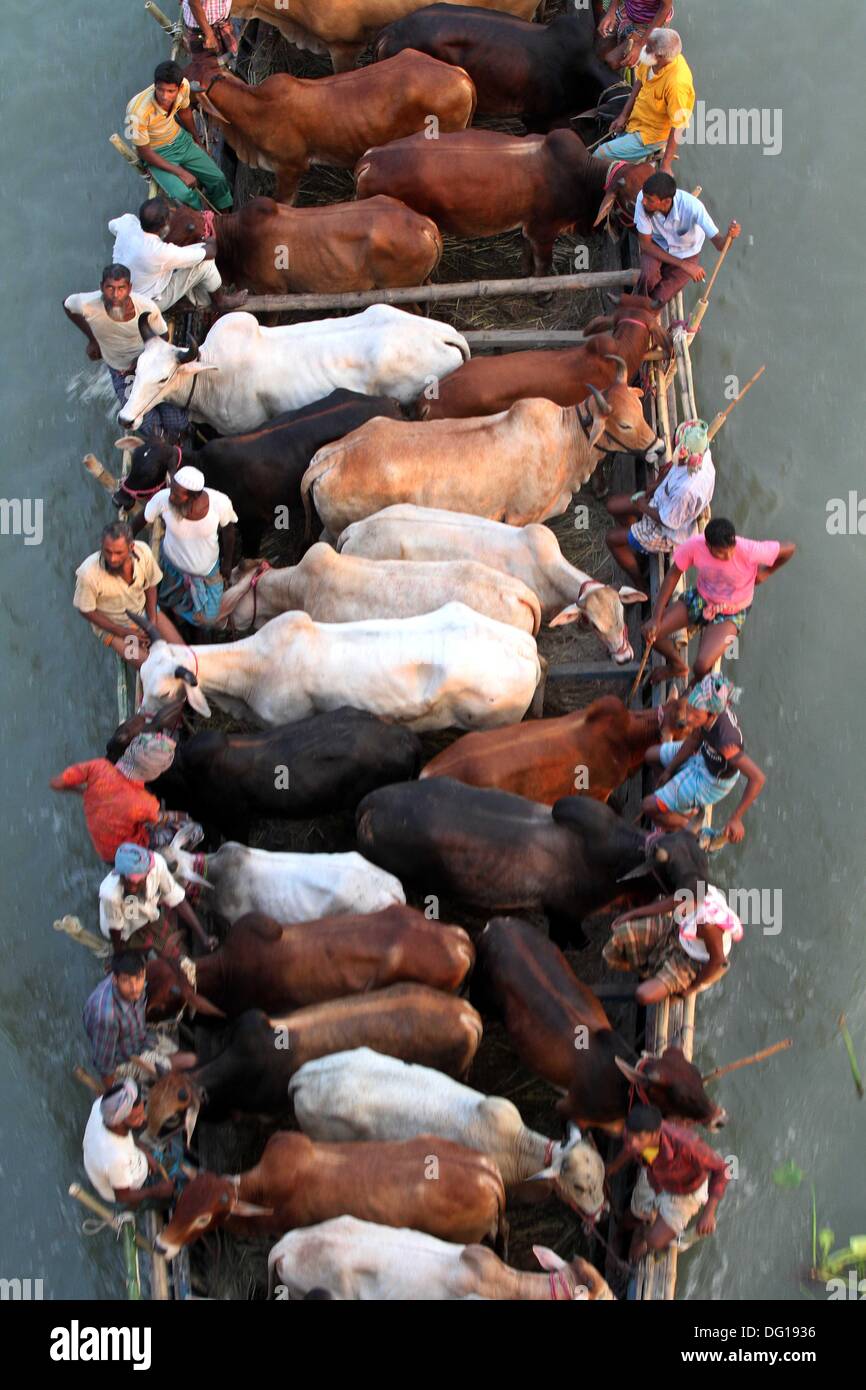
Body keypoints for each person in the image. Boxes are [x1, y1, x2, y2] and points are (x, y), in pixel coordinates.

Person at [642, 516, 796, 684]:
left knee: (701, 666)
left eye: (731, 549)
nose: (728, 555)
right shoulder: (694, 546)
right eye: (721, 553)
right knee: (650, 633)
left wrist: (765, 574)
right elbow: (673, 575)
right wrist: (656, 617)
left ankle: (695, 684)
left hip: (731, 611)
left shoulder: (750, 550)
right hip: (701, 598)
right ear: (708, 546)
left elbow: (789, 548)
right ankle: (676, 666)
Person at [64, 264, 188, 439]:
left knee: (177, 422)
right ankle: (162, 442)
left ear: (129, 288)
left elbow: (164, 335)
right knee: (146, 425)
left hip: (149, 368)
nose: (115, 295)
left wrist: (143, 358)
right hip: (122, 371)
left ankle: (177, 435)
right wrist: (92, 339)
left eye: (121, 288)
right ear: (101, 287)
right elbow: (67, 305)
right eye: (110, 288)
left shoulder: (146, 308)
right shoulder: (87, 304)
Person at [640, 673, 765, 844]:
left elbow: (758, 778)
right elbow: (693, 741)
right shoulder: (705, 719)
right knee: (651, 755)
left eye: (695, 714)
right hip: (702, 756)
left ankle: (690, 828)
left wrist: (736, 818)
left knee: (647, 806)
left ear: (712, 715)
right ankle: (678, 805)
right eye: (689, 709)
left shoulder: (727, 742)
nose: (688, 717)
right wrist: (669, 771)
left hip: (711, 781)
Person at [50, 732, 199, 864]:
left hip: (104, 851)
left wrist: (87, 792)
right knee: (195, 830)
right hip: (130, 851)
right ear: (154, 771)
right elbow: (158, 819)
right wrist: (182, 815)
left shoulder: (98, 766)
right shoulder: (144, 802)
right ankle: (179, 861)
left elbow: (56, 783)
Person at [605, 1104, 729, 1259]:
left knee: (655, 1241)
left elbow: (722, 1168)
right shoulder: (632, 1135)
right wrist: (613, 1168)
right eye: (629, 1138)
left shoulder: (687, 1144)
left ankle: (657, 1240)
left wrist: (709, 1213)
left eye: (639, 1139)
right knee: (631, 1215)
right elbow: (630, 1148)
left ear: (656, 1134)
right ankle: (621, 1234)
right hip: (655, 1177)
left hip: (685, 1190)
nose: (633, 1144)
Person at [605, 418, 716, 583]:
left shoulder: (687, 491)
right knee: (612, 505)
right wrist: (657, 483)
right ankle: (634, 539)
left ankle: (639, 583)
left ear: (686, 453)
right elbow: (674, 468)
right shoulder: (701, 452)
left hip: (667, 531)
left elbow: (668, 521)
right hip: (661, 502)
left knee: (611, 538)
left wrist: (643, 507)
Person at [604, 881, 743, 1003]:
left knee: (643, 995)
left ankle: (662, 981)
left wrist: (693, 987)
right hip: (679, 931)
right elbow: (671, 903)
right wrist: (633, 914)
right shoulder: (697, 889)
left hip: (694, 960)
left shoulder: (708, 925)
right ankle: (640, 968)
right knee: (622, 934)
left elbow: (718, 961)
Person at [125, 60, 233, 212]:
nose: (164, 97)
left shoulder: (185, 87)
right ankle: (202, 217)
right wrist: (181, 173)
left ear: (179, 87)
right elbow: (145, 152)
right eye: (160, 90)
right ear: (154, 85)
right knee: (184, 194)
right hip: (157, 153)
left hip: (181, 141)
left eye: (170, 91)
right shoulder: (137, 112)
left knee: (218, 178)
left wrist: (197, 140)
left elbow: (185, 112)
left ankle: (223, 210)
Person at [73, 521, 182, 667]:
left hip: (143, 612)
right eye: (107, 552)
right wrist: (122, 632)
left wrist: (152, 623)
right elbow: (85, 610)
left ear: (131, 547)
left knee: (184, 653)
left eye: (118, 553)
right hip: (115, 628)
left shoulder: (143, 553)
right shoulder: (88, 574)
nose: (112, 559)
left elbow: (150, 586)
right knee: (150, 667)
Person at [109, 197, 247, 314]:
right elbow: (210, 252)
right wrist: (210, 239)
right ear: (164, 225)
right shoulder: (159, 252)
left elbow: (112, 226)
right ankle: (220, 301)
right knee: (206, 263)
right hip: (144, 305)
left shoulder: (127, 222)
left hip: (122, 292)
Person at [82, 951, 197, 1086]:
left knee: (177, 1048)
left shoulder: (137, 984)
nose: (135, 987)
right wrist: (112, 1093)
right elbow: (104, 1067)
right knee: (191, 1061)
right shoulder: (107, 1017)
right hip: (125, 1060)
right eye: (126, 981)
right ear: (114, 979)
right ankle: (133, 1077)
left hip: (140, 1039)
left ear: (144, 973)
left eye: (139, 978)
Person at [143, 465, 238, 628]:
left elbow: (229, 532)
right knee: (166, 599)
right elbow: (143, 519)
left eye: (176, 494)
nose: (171, 497)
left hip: (207, 570)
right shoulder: (163, 499)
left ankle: (181, 612)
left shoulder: (219, 503)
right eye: (171, 490)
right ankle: (176, 610)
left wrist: (227, 563)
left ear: (194, 497)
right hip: (173, 564)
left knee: (208, 619)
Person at [593, 28, 694, 172]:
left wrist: (666, 164)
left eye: (649, 48)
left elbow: (678, 125)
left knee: (599, 154)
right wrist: (624, 115)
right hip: (636, 117)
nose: (644, 49)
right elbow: (639, 82)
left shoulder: (677, 84)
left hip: (650, 135)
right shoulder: (651, 59)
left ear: (660, 56)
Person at [634, 171, 741, 305]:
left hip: (687, 253)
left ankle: (649, 310)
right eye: (644, 197)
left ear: (666, 201)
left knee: (660, 298)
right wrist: (684, 266)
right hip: (657, 244)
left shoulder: (694, 208)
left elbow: (720, 245)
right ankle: (638, 302)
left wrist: (730, 237)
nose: (643, 202)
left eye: (650, 200)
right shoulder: (642, 200)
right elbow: (645, 245)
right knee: (647, 276)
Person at [98, 843, 214, 958]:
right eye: (127, 881)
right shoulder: (110, 894)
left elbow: (177, 898)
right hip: (125, 931)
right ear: (119, 874)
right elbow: (116, 929)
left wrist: (203, 937)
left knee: (176, 950)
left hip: (148, 915)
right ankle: (148, 954)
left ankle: (171, 953)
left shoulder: (157, 865)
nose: (132, 887)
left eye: (136, 882)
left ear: (147, 873)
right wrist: (119, 955)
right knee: (148, 955)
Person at [82, 1079, 175, 1207]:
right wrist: (156, 1191)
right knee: (170, 1198)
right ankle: (136, 1208)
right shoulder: (116, 1158)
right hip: (124, 1189)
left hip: (120, 1165)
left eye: (142, 1112)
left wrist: (147, 1155)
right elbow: (122, 1195)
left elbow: (125, 1138)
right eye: (137, 1117)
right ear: (118, 1122)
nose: (144, 1118)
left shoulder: (101, 1106)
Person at [597, 1, 674, 71]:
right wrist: (611, 12)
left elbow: (665, 7)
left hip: (651, 23)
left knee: (612, 61)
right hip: (628, 9)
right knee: (600, 49)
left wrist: (640, 45)